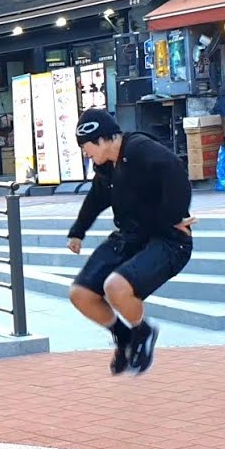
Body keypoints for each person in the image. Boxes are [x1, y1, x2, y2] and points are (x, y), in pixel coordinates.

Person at [66, 109, 196, 375]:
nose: (85, 153)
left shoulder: (138, 149)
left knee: (115, 287)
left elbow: (174, 169)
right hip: (130, 237)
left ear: (101, 139)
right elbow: (96, 198)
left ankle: (142, 331)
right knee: (80, 294)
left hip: (169, 240)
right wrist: (78, 231)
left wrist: (174, 216)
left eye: (86, 146)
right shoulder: (105, 166)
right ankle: (123, 336)